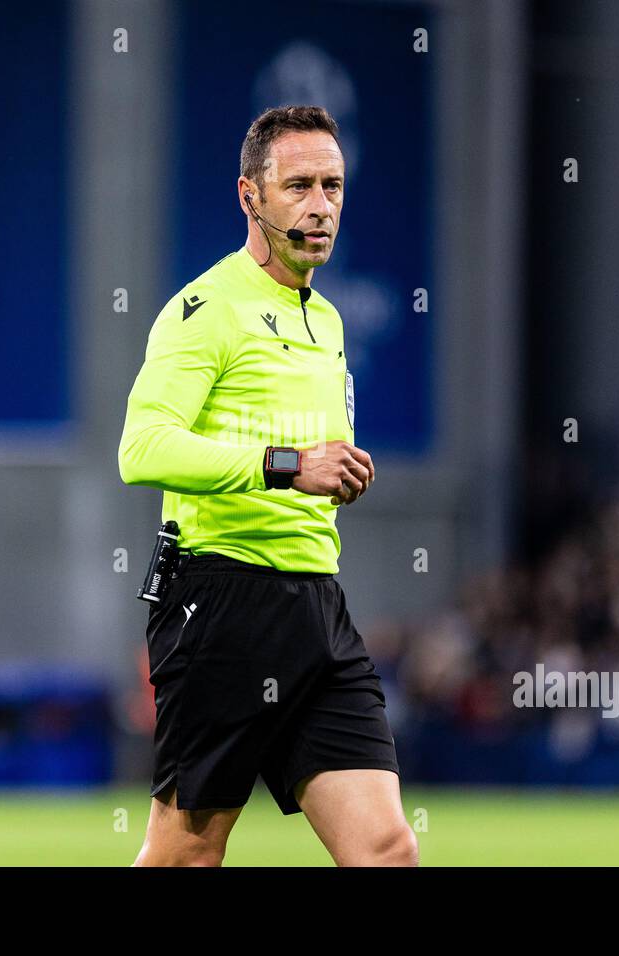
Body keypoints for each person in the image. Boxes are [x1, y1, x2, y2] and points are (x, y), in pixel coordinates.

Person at [118, 105, 417, 866]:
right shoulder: (205, 309)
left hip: (317, 602)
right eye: (299, 187)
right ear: (250, 196)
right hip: (220, 601)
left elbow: (310, 457)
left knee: (386, 849)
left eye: (334, 187)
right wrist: (290, 465)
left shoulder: (330, 321)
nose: (321, 206)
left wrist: (337, 472)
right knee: (187, 850)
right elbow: (142, 449)